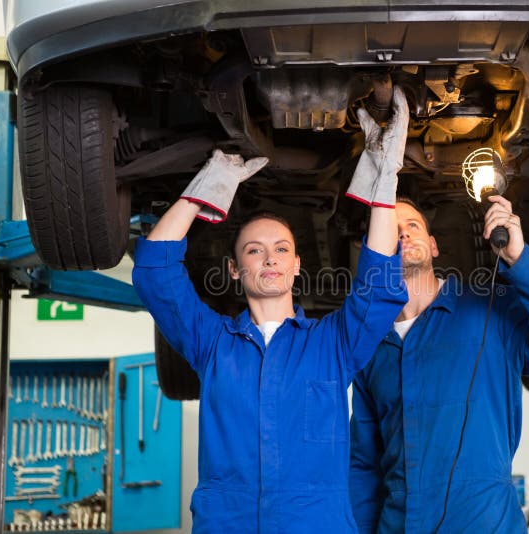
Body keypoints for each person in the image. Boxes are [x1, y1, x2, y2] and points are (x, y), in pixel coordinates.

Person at [133, 88, 410, 533]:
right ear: (235, 269)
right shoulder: (213, 343)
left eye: (281, 249)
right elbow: (154, 272)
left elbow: (378, 286)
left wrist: (385, 179)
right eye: (255, 250)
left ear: (297, 265)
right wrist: (207, 187)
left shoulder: (332, 345)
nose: (269, 258)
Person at [349, 196, 529, 532]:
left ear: (434, 246)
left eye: (412, 226)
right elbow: (365, 464)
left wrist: (518, 258)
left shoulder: (490, 309)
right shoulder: (371, 344)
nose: (403, 234)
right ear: (374, 251)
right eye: (391, 230)